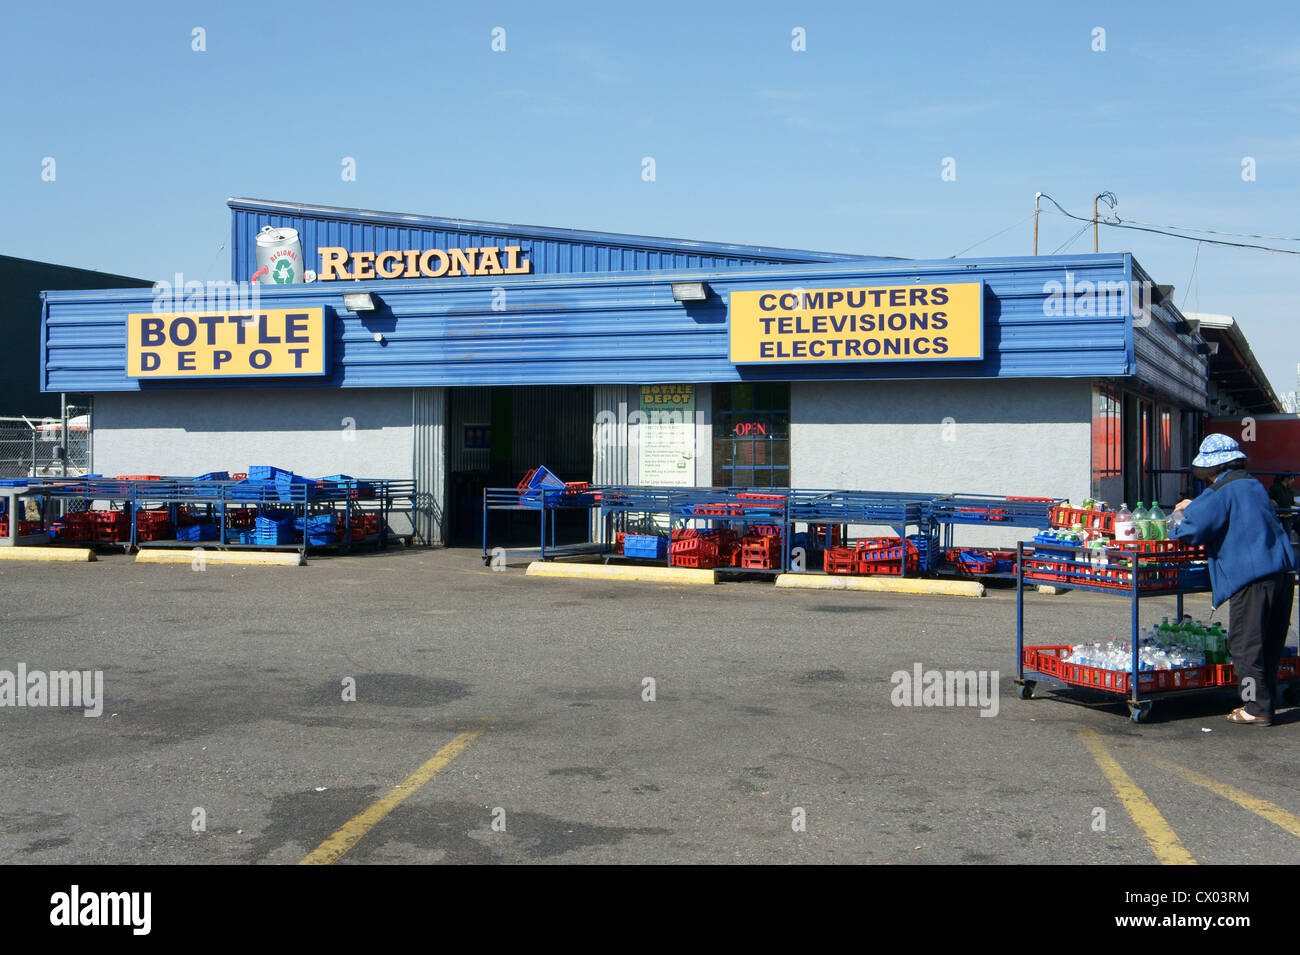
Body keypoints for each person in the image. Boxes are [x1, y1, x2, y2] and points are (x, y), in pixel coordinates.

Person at [1169, 434, 1297, 726]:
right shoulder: (1253, 485)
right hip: (1283, 574)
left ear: (1209, 469)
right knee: (1269, 641)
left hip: (1252, 579)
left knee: (1244, 644)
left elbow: (1191, 530)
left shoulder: (1220, 491)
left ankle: (1255, 707)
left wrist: (1179, 514)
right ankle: (1265, 699)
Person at [1268, 474, 1296, 539]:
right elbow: (1267, 497)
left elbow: (1292, 502)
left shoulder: (1289, 490)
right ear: (1286, 478)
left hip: (1287, 515)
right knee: (1275, 534)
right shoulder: (1275, 487)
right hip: (1277, 514)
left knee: (1287, 534)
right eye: (1292, 478)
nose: (1293, 480)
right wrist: (1272, 501)